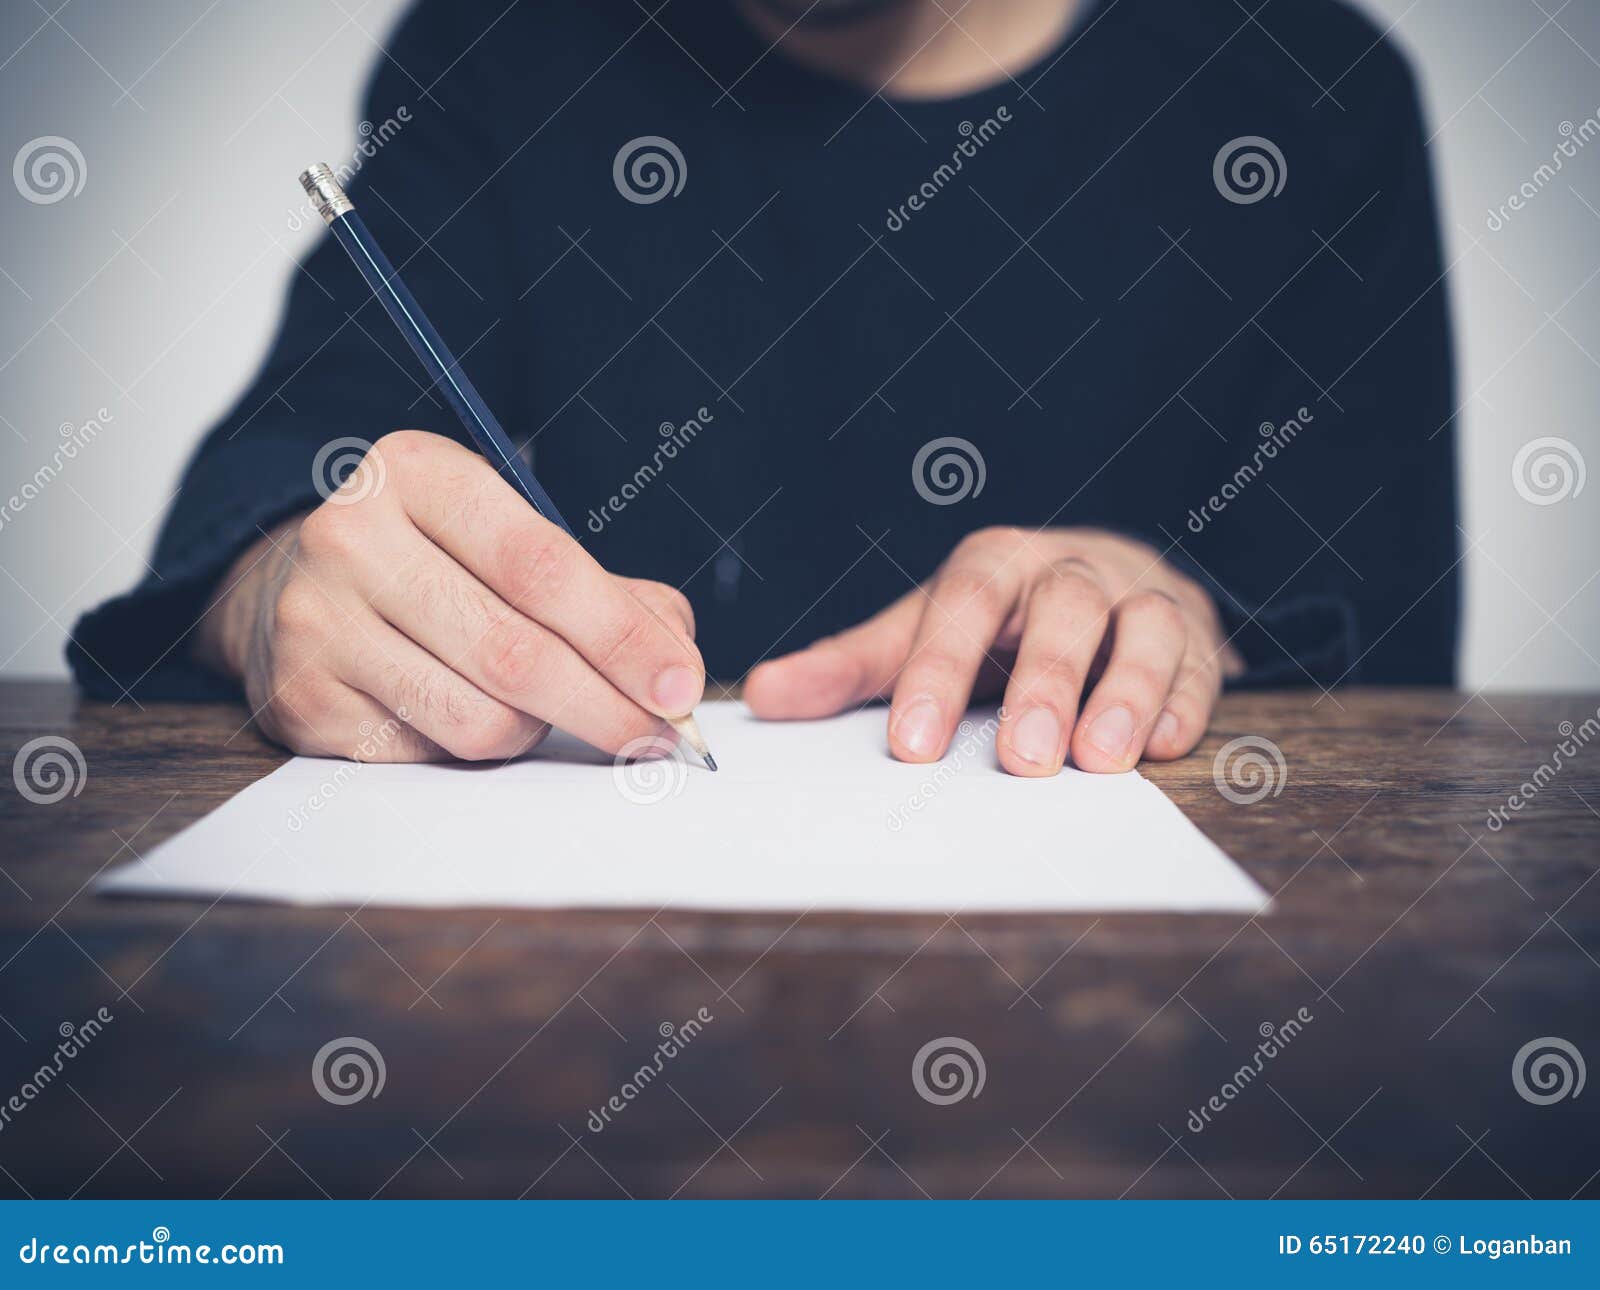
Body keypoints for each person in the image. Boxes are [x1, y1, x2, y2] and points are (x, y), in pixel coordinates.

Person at [70, 0, 1457, 776]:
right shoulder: (498, 50)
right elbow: (283, 475)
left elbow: (1395, 670)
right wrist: (280, 595)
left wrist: (1189, 622)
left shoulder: (1310, 99)